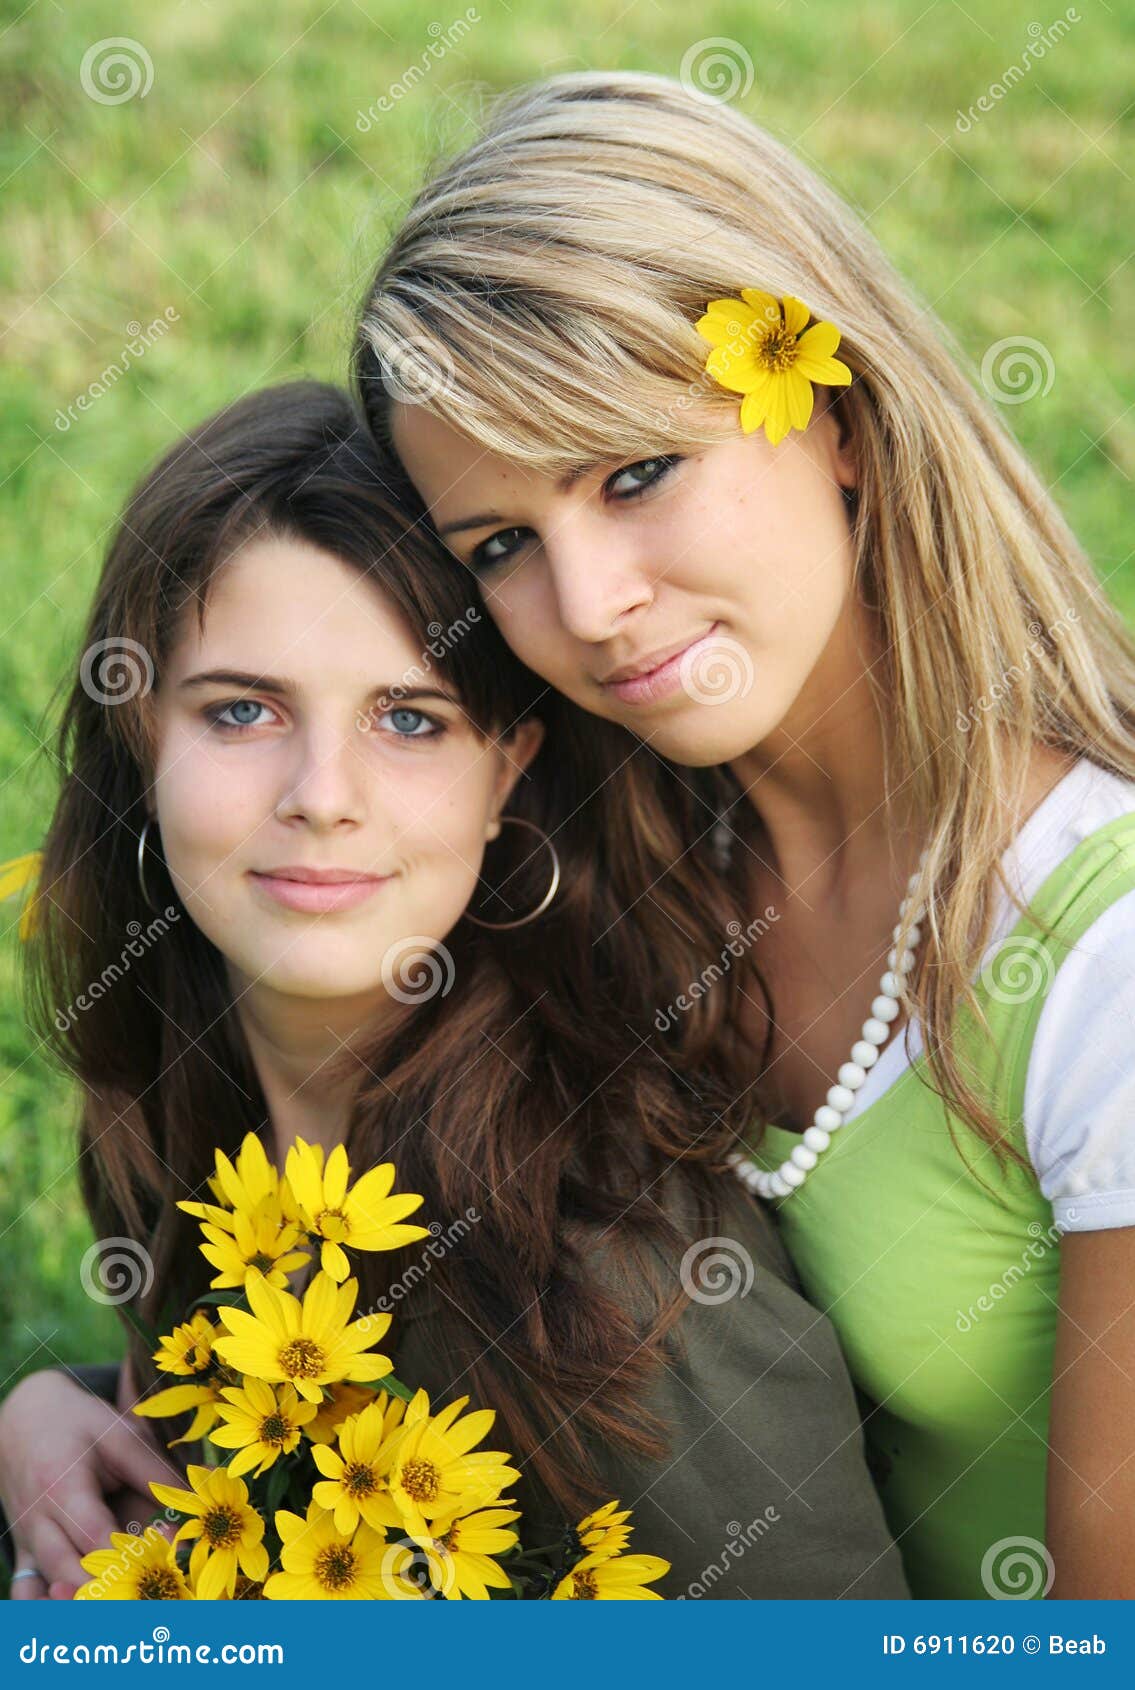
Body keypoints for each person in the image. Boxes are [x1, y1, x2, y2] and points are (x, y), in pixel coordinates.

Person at [352, 69, 1135, 1598]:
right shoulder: (603, 865)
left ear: (834, 413)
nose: (585, 609)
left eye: (635, 474)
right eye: (500, 546)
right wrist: (51, 1417)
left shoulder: (1096, 957)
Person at [0, 379, 907, 1601]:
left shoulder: (618, 1298)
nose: (322, 794)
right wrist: (54, 1414)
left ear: (506, 775)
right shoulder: (171, 1095)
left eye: (411, 721)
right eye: (242, 710)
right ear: (140, 735)